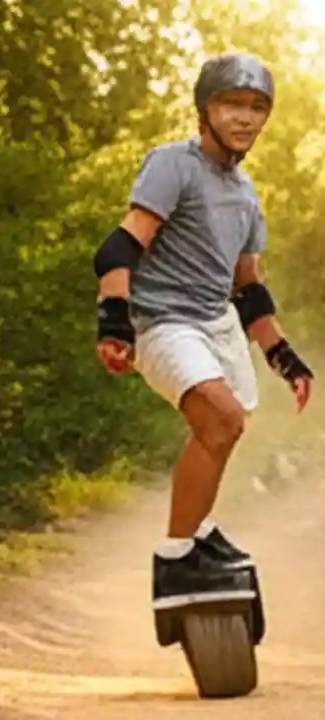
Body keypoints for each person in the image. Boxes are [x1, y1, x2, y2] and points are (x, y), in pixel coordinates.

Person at [93, 53, 312, 632]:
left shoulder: (246, 196)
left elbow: (251, 293)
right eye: (231, 105)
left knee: (224, 427)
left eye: (256, 107)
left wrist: (284, 358)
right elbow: (118, 249)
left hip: (216, 326)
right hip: (163, 321)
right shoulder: (173, 166)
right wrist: (113, 322)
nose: (244, 118)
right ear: (204, 112)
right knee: (220, 420)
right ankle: (176, 560)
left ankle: (199, 534)